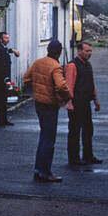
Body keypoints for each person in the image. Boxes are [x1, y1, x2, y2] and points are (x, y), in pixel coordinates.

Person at [22, 39, 71, 182]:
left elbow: (26, 78)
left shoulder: (38, 62)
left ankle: (38, 170)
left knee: (43, 137)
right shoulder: (55, 67)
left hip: (39, 103)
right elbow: (61, 86)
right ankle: (45, 172)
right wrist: (68, 97)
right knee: (48, 139)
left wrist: (38, 90)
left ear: (48, 49)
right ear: (59, 52)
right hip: (50, 105)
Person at [64, 40, 102, 167]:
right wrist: (69, 102)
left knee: (88, 130)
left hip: (86, 102)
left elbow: (91, 83)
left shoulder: (88, 65)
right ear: (79, 51)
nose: (89, 53)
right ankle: (73, 157)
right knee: (74, 131)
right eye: (86, 51)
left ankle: (88, 155)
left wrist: (95, 99)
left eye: (90, 51)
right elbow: (69, 85)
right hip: (76, 103)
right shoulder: (72, 66)